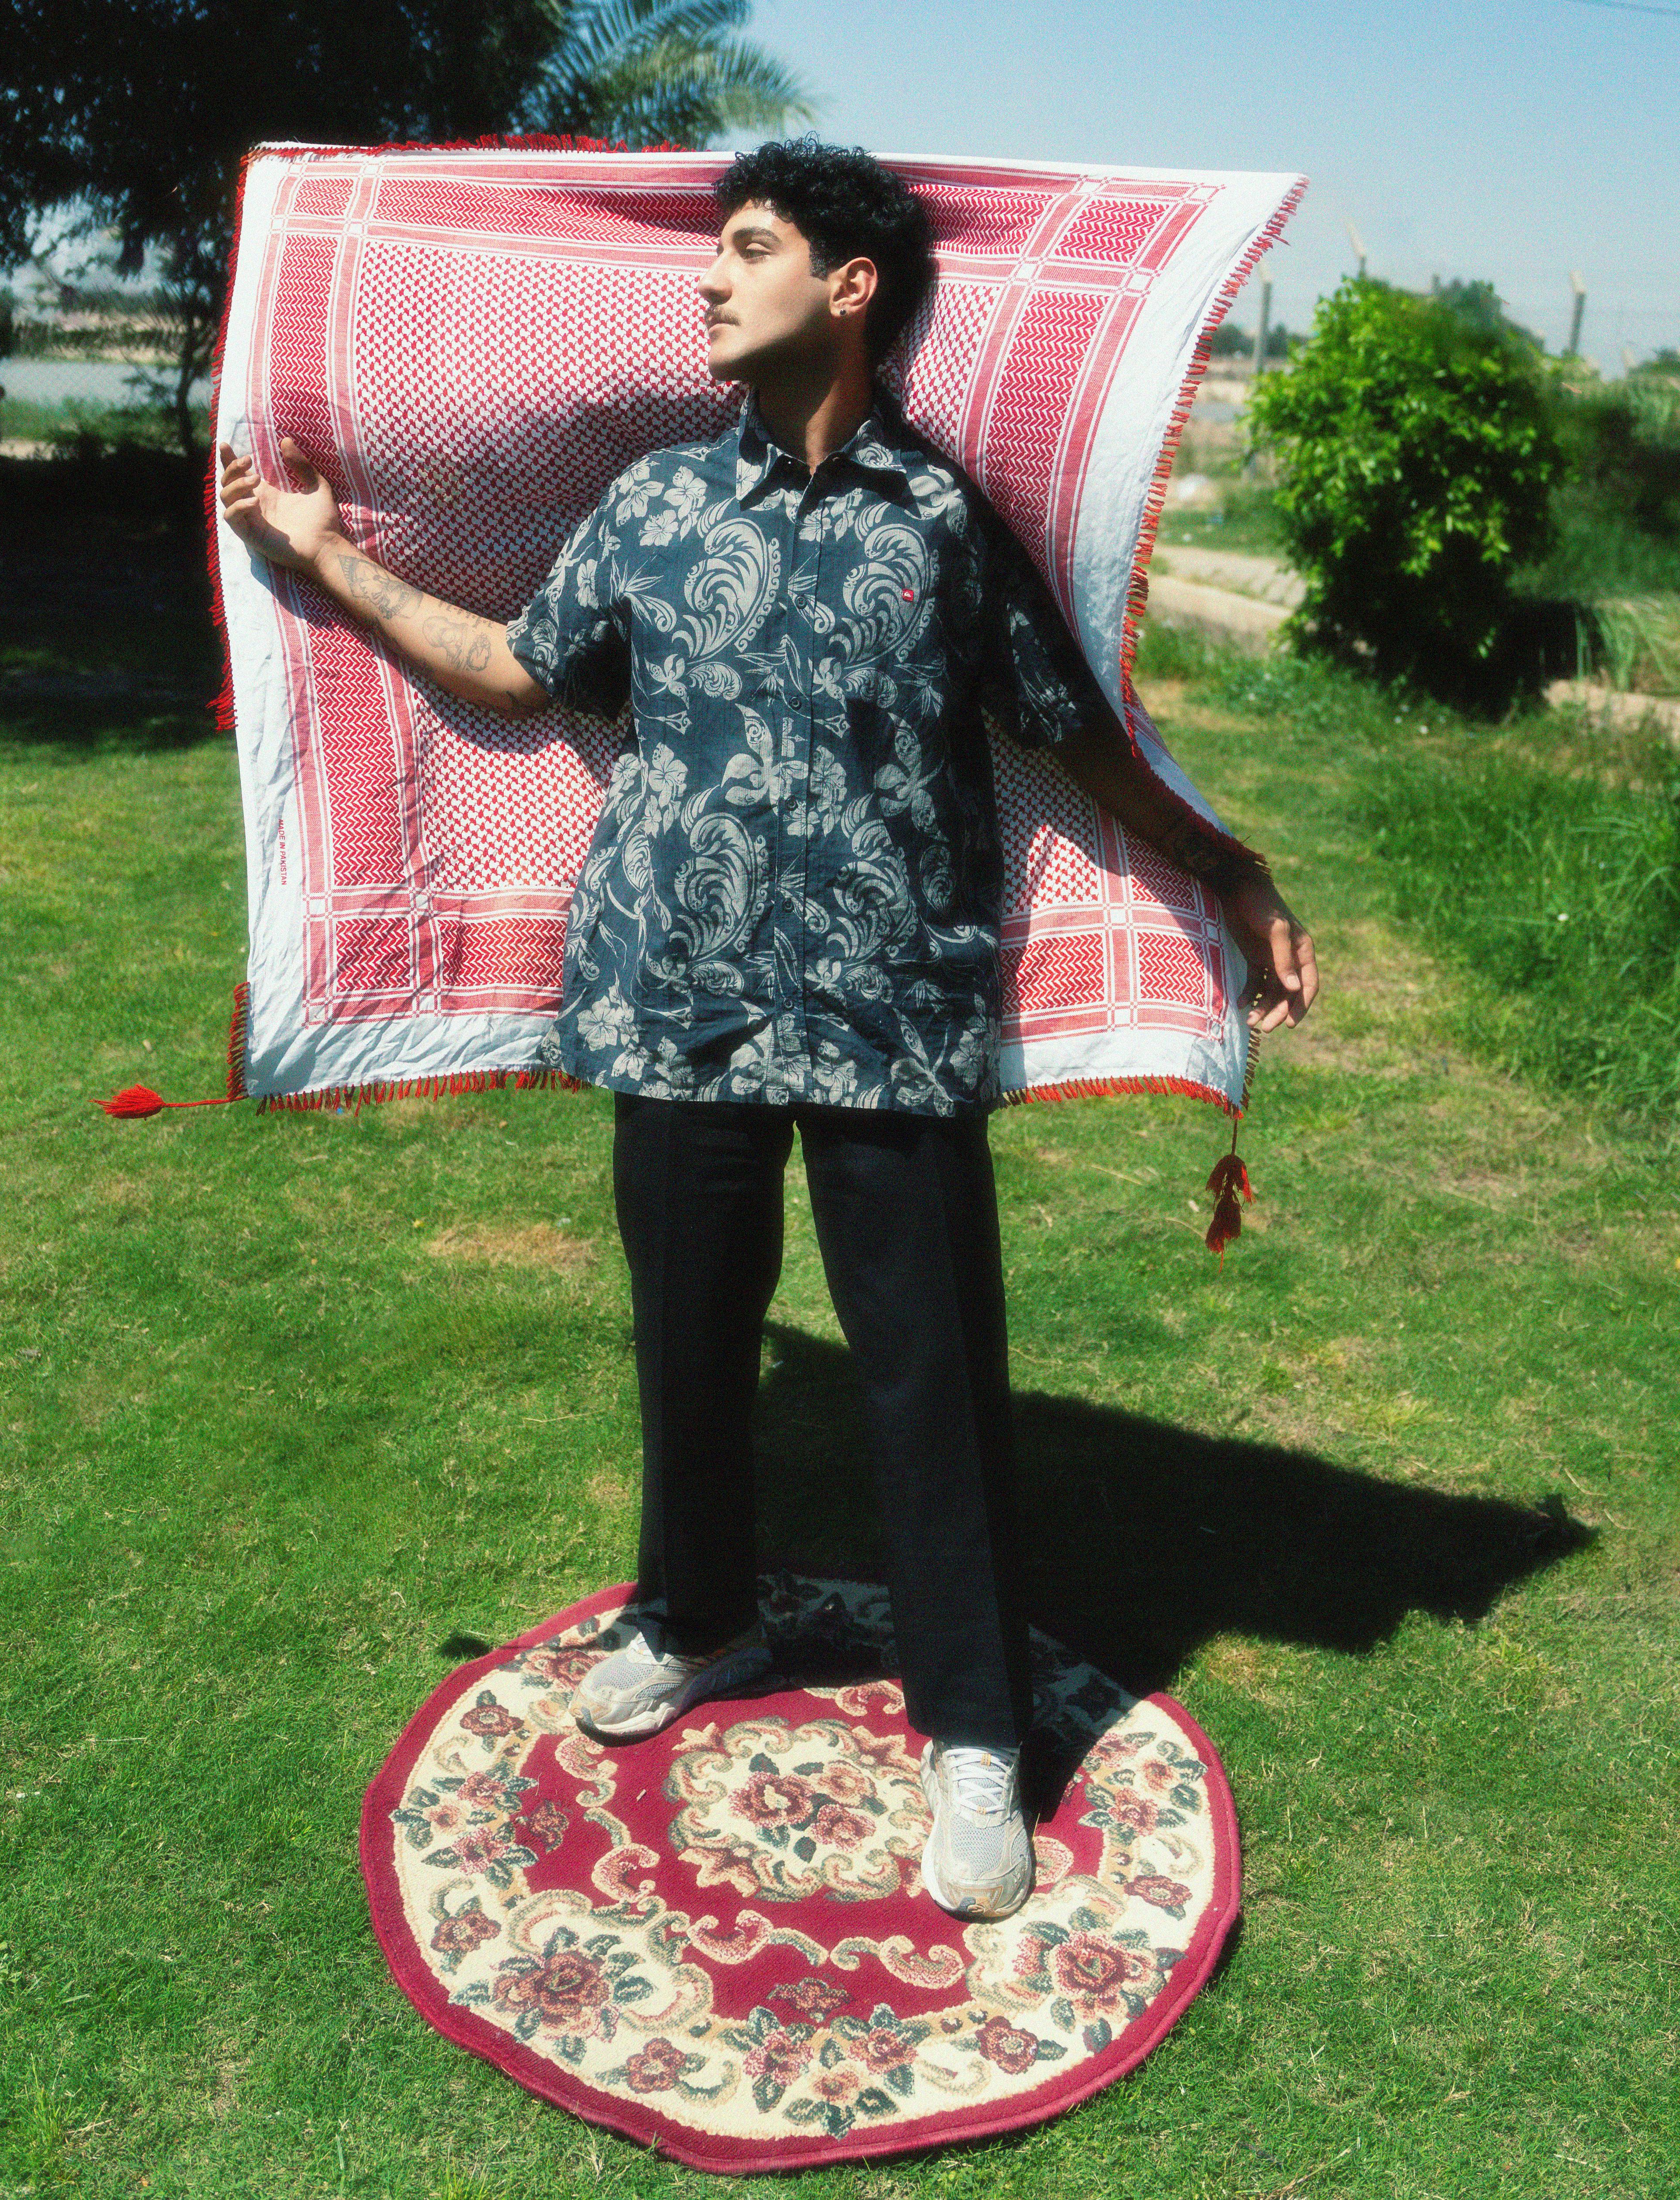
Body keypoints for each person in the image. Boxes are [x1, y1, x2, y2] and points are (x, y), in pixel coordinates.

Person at [219, 139, 1318, 1921]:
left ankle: (972, 1728)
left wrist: (1229, 860)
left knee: (933, 1378)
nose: (710, 280)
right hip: (671, 998)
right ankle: (701, 1611)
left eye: (749, 250)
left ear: (854, 283)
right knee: (688, 1343)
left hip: (890, 1020)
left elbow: (1073, 729)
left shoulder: (947, 525)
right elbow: (519, 669)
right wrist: (324, 551)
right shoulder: (652, 504)